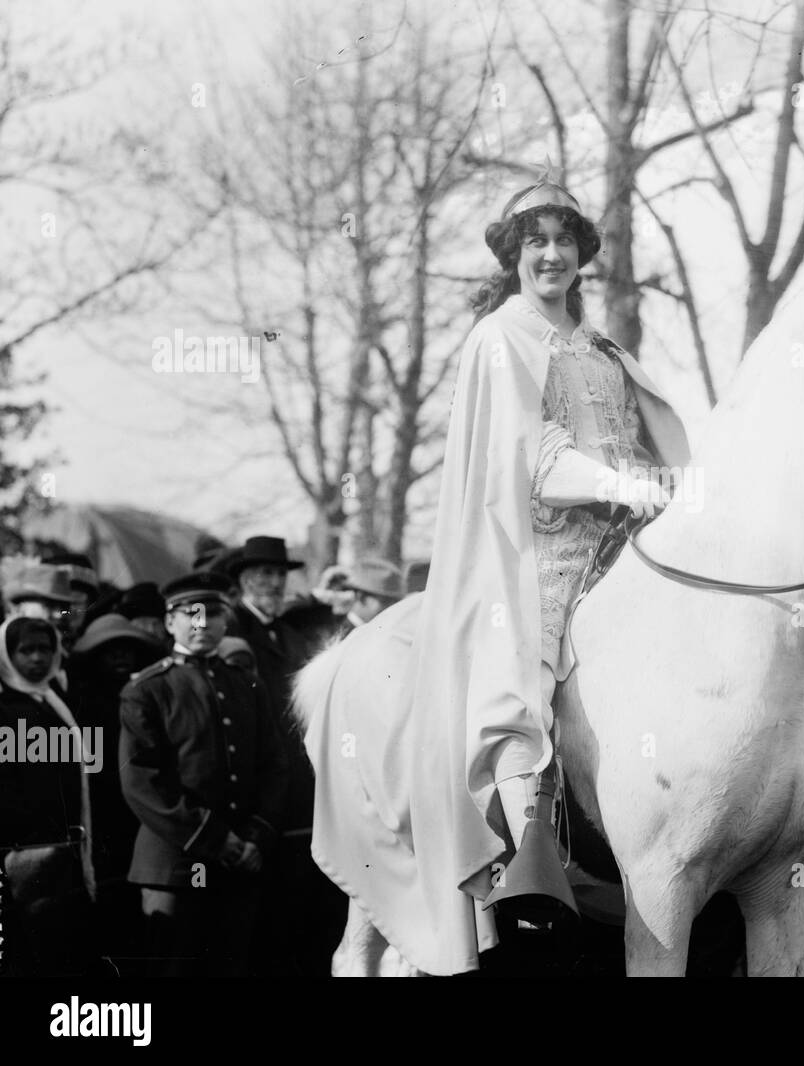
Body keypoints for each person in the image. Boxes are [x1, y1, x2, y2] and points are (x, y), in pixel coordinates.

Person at [371, 176, 689, 974]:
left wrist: (667, 483)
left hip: (622, 536)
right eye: (534, 241)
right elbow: (532, 457)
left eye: (564, 239)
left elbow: (641, 438)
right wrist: (622, 483)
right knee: (522, 674)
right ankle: (532, 864)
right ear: (513, 255)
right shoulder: (500, 338)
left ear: (584, 252)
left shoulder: (601, 343)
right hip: (535, 547)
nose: (551, 254)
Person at [118, 572, 288, 976]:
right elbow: (142, 783)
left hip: (241, 861)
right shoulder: (147, 690)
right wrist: (216, 840)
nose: (201, 623)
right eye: (189, 614)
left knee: (231, 965)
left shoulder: (246, 685)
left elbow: (274, 765)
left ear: (226, 621)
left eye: (212, 614)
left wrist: (255, 836)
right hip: (178, 864)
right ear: (169, 622)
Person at [225, 534, 347, 975]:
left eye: (279, 574)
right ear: (242, 579)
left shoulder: (293, 634)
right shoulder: (232, 628)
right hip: (257, 789)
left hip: (301, 785)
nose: (273, 582)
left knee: (304, 916)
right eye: (263, 573)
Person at [67, 613, 165, 974]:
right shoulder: (82, 704)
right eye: (111, 652)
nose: (122, 658)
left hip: (142, 821)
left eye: (128, 650)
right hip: (103, 819)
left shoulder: (146, 698)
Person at [0, 616, 98, 976]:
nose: (38, 659)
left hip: (67, 845)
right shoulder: (5, 708)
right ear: (7, 655)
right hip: (26, 851)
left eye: (45, 649)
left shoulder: (55, 700)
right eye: (26, 651)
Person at [339, 558, 404, 635]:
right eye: (386, 601)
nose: (393, 608)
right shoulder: (340, 637)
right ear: (362, 597)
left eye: (397, 603)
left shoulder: (386, 633)